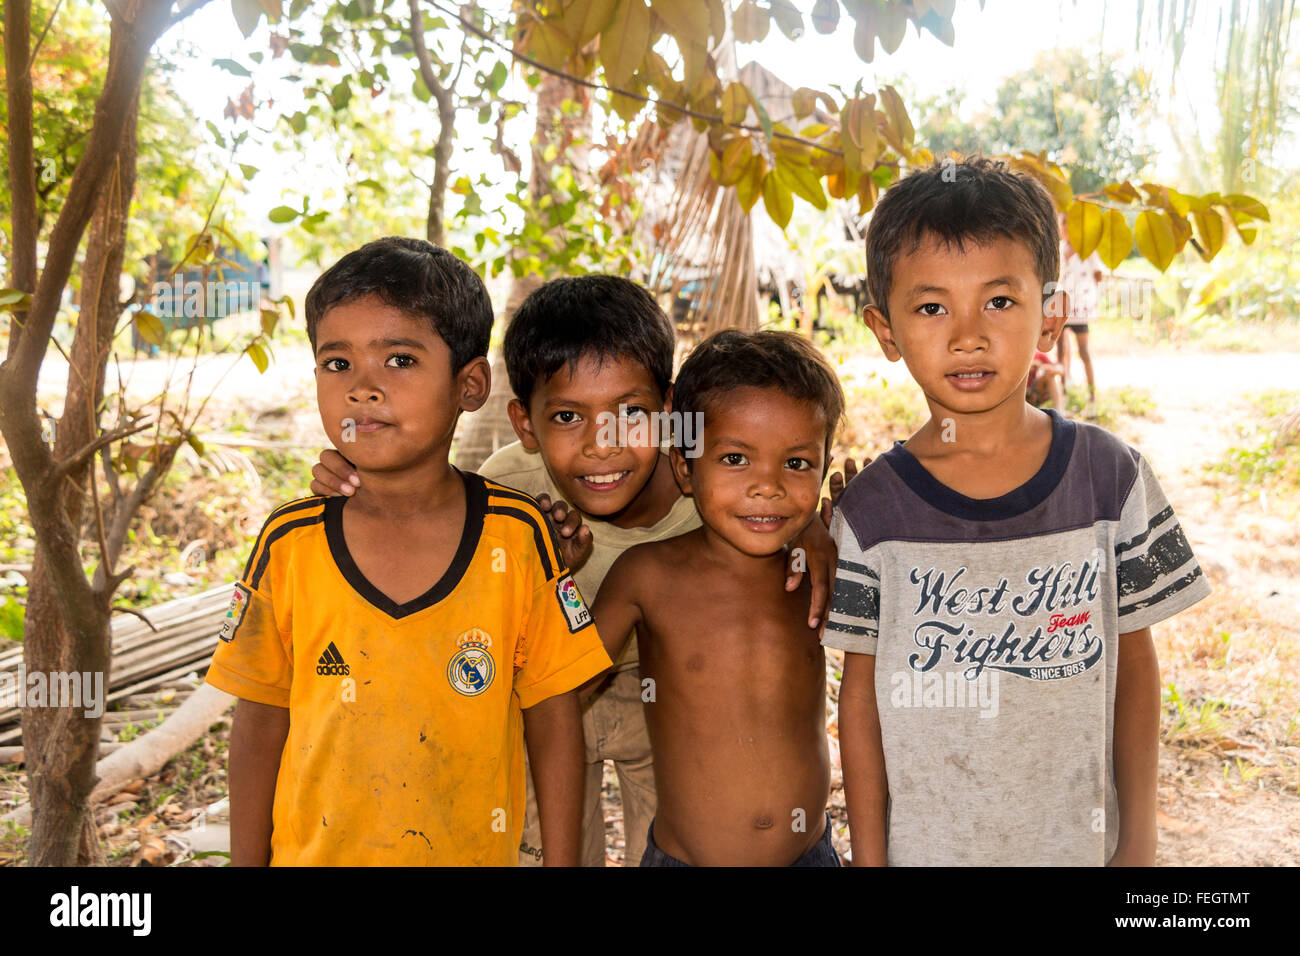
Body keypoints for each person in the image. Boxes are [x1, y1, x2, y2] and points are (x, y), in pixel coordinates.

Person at [309, 275, 839, 866]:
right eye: (566, 417)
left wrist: (814, 526)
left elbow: (779, 485)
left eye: (630, 413)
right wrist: (360, 485)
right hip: (548, 703)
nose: (601, 445)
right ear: (525, 424)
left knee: (690, 838)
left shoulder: (720, 483)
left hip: (671, 714)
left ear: (671, 415)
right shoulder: (510, 490)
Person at [830, 158, 1211, 866]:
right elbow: (860, 703)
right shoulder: (871, 510)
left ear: (1053, 313)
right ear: (885, 330)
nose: (968, 335)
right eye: (932, 306)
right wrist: (871, 859)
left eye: (1000, 302)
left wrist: (1140, 840)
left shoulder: (1109, 478)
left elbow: (1134, 666)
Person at [208, 237, 611, 866]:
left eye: (399, 359)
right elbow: (260, 718)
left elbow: (553, 715)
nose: (363, 388)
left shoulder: (517, 534)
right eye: (337, 364)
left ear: (470, 385)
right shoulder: (289, 544)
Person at [588, 330, 846, 866]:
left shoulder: (818, 565)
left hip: (809, 854)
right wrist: (556, 580)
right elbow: (566, 680)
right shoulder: (647, 575)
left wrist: (834, 530)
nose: (768, 486)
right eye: (735, 458)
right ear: (685, 468)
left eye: (796, 463)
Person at [1057, 213, 1102, 406]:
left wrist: (1088, 293)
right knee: (1060, 350)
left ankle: (1092, 393)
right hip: (1060, 308)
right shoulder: (1058, 250)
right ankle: (1063, 392)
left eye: (1069, 222)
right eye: (1063, 223)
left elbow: (1099, 275)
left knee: (1083, 351)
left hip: (1081, 310)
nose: (1066, 227)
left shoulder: (1088, 250)